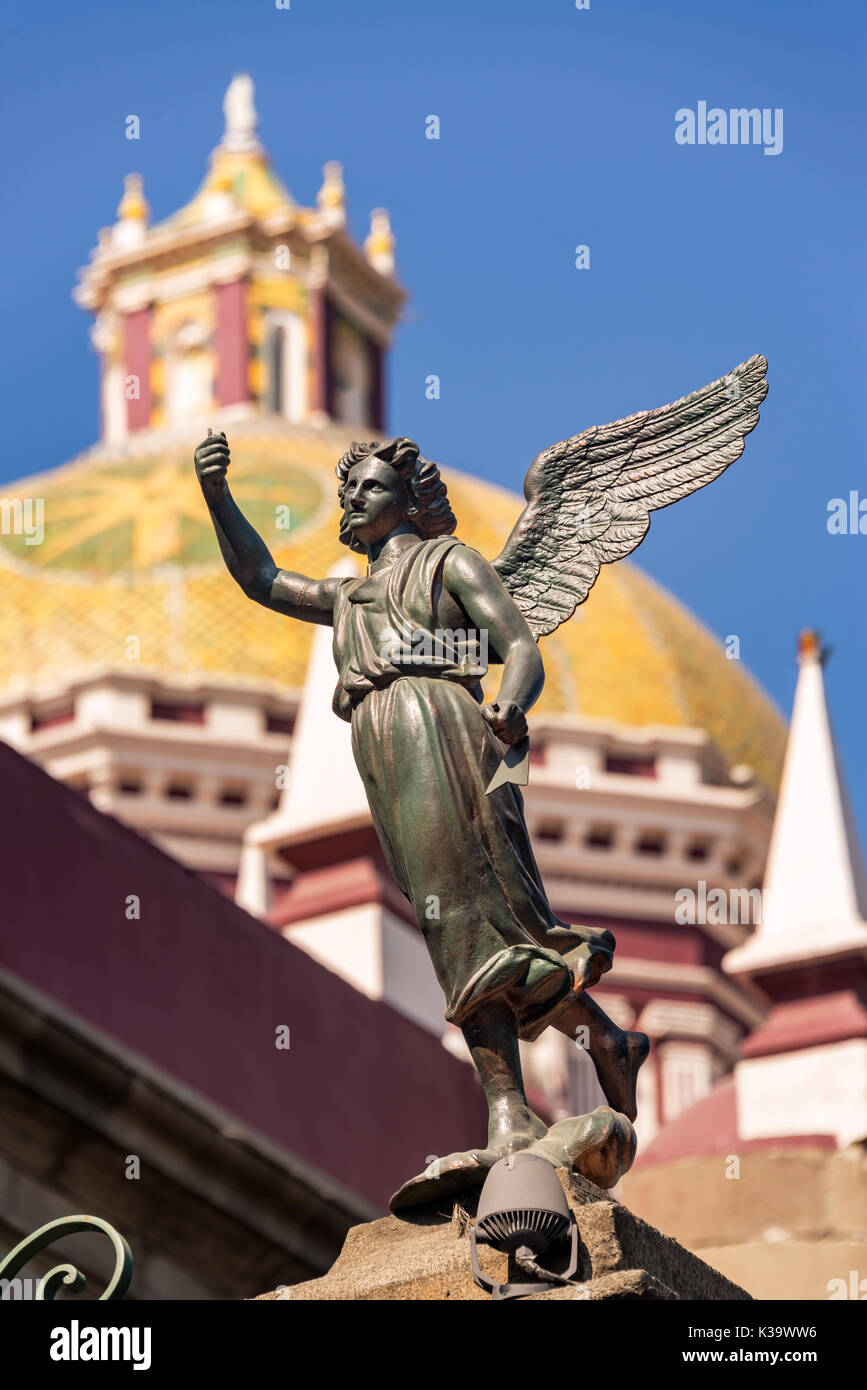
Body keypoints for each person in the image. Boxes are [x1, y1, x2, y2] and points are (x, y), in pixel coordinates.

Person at [195, 431, 648, 1164]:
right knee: (448, 924)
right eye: (346, 491)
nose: (351, 499)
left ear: (408, 501)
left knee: (481, 909)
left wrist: (510, 704)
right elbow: (262, 578)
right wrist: (218, 495)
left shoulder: (450, 562)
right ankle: (599, 1043)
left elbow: (520, 643)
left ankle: (512, 1105)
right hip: (382, 742)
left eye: (368, 489)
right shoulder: (346, 596)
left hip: (445, 727)